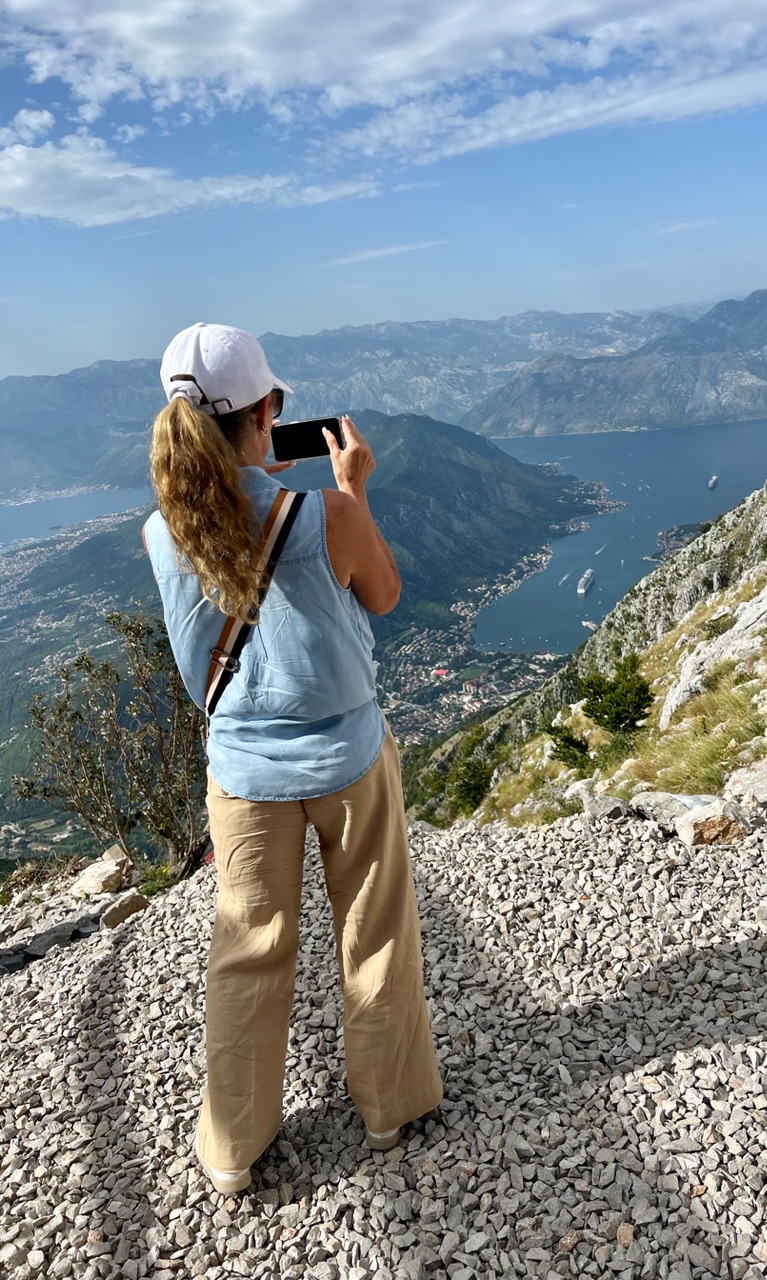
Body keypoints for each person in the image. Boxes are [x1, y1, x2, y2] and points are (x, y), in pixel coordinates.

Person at [142, 321, 442, 1195]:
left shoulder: (165, 534)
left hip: (241, 776)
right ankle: (387, 1109)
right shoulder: (328, 514)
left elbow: (232, 526)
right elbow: (381, 595)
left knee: (248, 950)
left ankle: (234, 1144)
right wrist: (350, 488)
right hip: (348, 758)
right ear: (268, 411)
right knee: (375, 931)